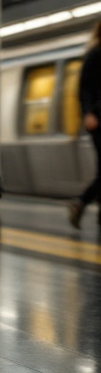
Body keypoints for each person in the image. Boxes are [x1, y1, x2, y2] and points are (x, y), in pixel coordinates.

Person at [70, 21, 101, 229]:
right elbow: (84, 88)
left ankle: (83, 204)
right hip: (99, 120)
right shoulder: (95, 54)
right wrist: (88, 112)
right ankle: (82, 202)